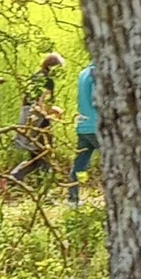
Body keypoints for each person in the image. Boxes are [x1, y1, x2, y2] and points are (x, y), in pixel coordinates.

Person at [7, 50, 65, 190]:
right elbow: (41, 104)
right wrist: (54, 110)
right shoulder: (47, 81)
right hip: (40, 123)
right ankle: (44, 192)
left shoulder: (35, 77)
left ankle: (13, 178)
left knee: (36, 158)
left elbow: (26, 101)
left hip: (29, 121)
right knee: (45, 157)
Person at [68, 60, 99, 204]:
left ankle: (73, 199)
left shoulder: (82, 73)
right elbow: (96, 99)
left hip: (83, 125)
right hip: (96, 125)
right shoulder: (96, 73)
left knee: (79, 165)